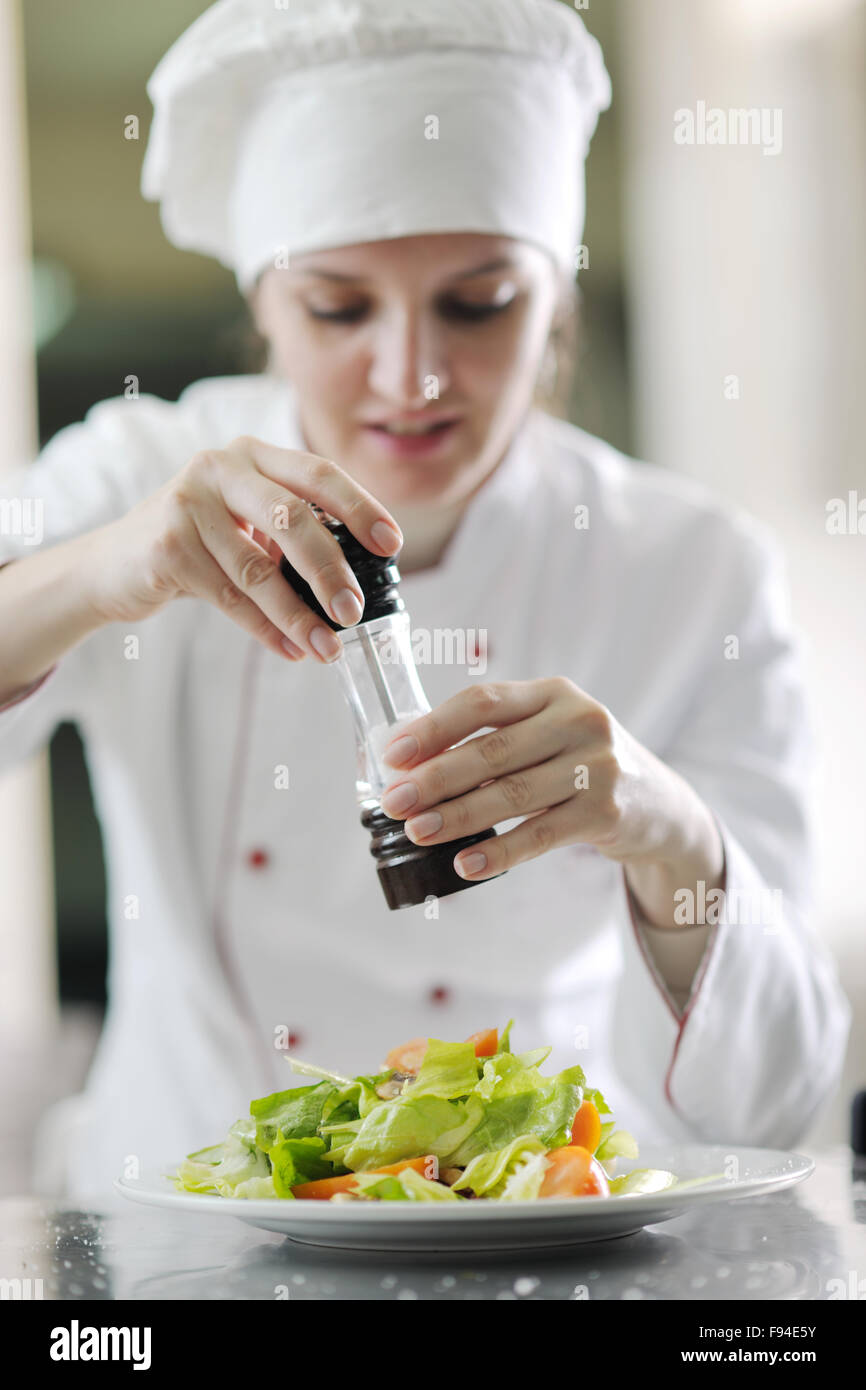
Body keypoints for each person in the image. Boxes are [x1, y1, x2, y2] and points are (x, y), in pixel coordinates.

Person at [0, 0, 849, 1199]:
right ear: (262, 310)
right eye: (338, 306)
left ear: (556, 299)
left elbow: (776, 1096)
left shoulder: (688, 565)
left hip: (537, 1235)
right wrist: (91, 574)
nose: (411, 375)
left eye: (479, 301)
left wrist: (664, 826)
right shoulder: (137, 474)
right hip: (184, 1238)